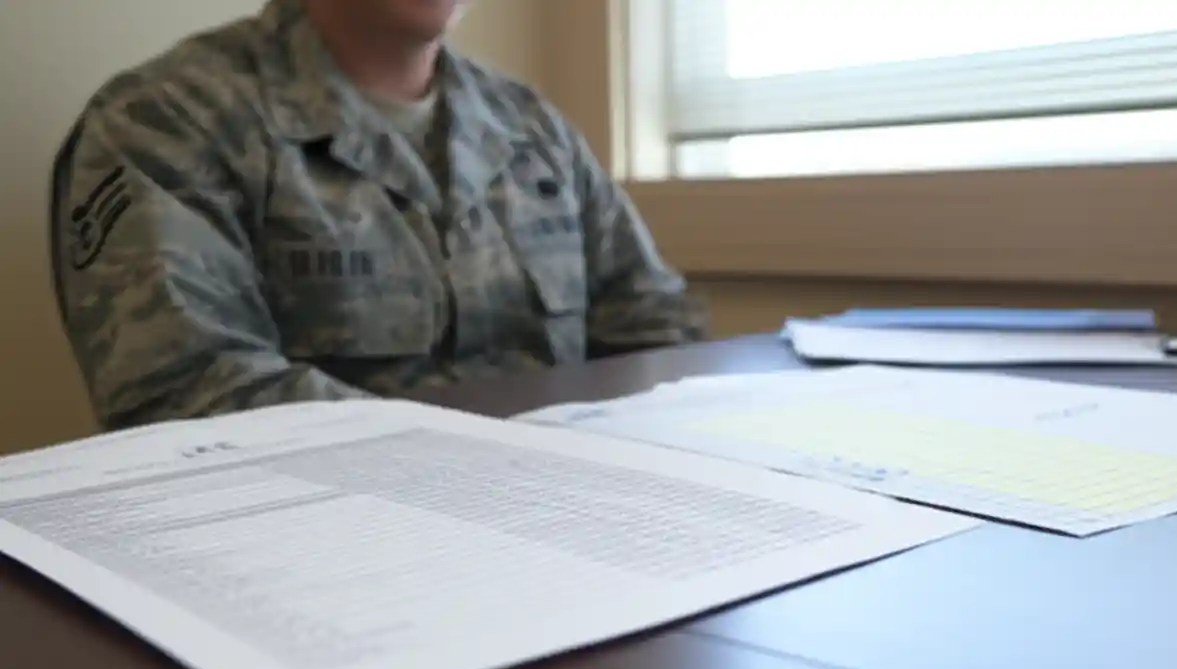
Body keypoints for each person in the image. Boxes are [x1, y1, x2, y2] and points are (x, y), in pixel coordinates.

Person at [51, 0, 705, 431]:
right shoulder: (167, 121)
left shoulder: (531, 127)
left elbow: (658, 332)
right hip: (323, 560)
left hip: (580, 534)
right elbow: (186, 399)